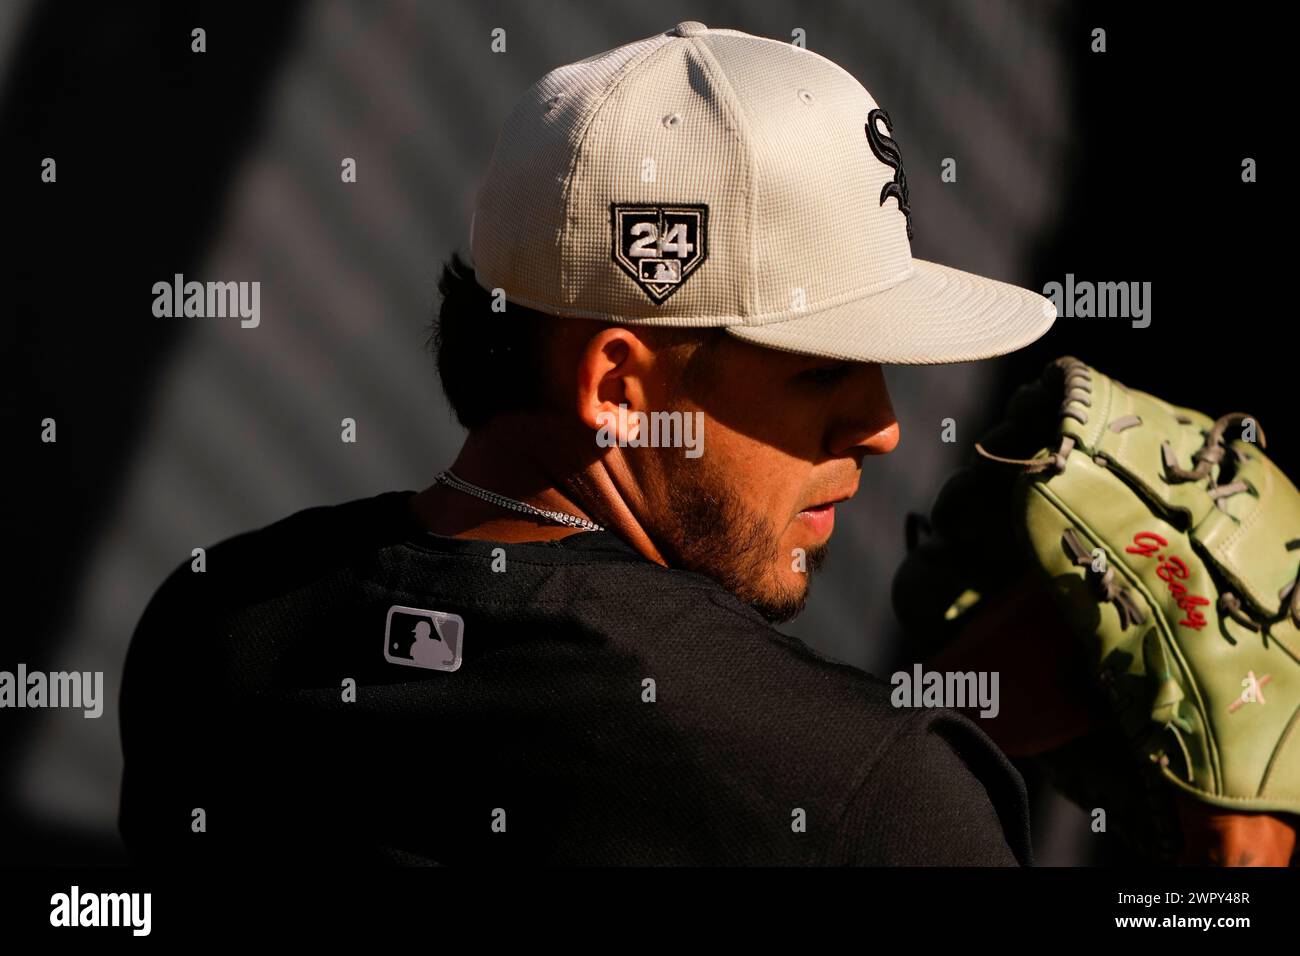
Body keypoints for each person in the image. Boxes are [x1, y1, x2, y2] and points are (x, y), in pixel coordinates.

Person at [119, 22, 1058, 865]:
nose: (883, 427)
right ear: (616, 384)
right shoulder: (880, 798)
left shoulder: (214, 625)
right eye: (819, 372)